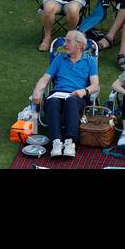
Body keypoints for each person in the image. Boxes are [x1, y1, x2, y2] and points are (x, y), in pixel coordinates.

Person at [29, 29, 99, 159]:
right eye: (65, 41)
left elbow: (95, 85)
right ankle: (56, 141)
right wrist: (36, 93)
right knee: (52, 101)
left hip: (77, 96)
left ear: (79, 45)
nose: (64, 44)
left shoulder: (90, 61)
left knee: (71, 100)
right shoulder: (59, 58)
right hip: (58, 94)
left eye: (68, 41)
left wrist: (83, 91)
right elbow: (45, 78)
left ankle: (70, 142)